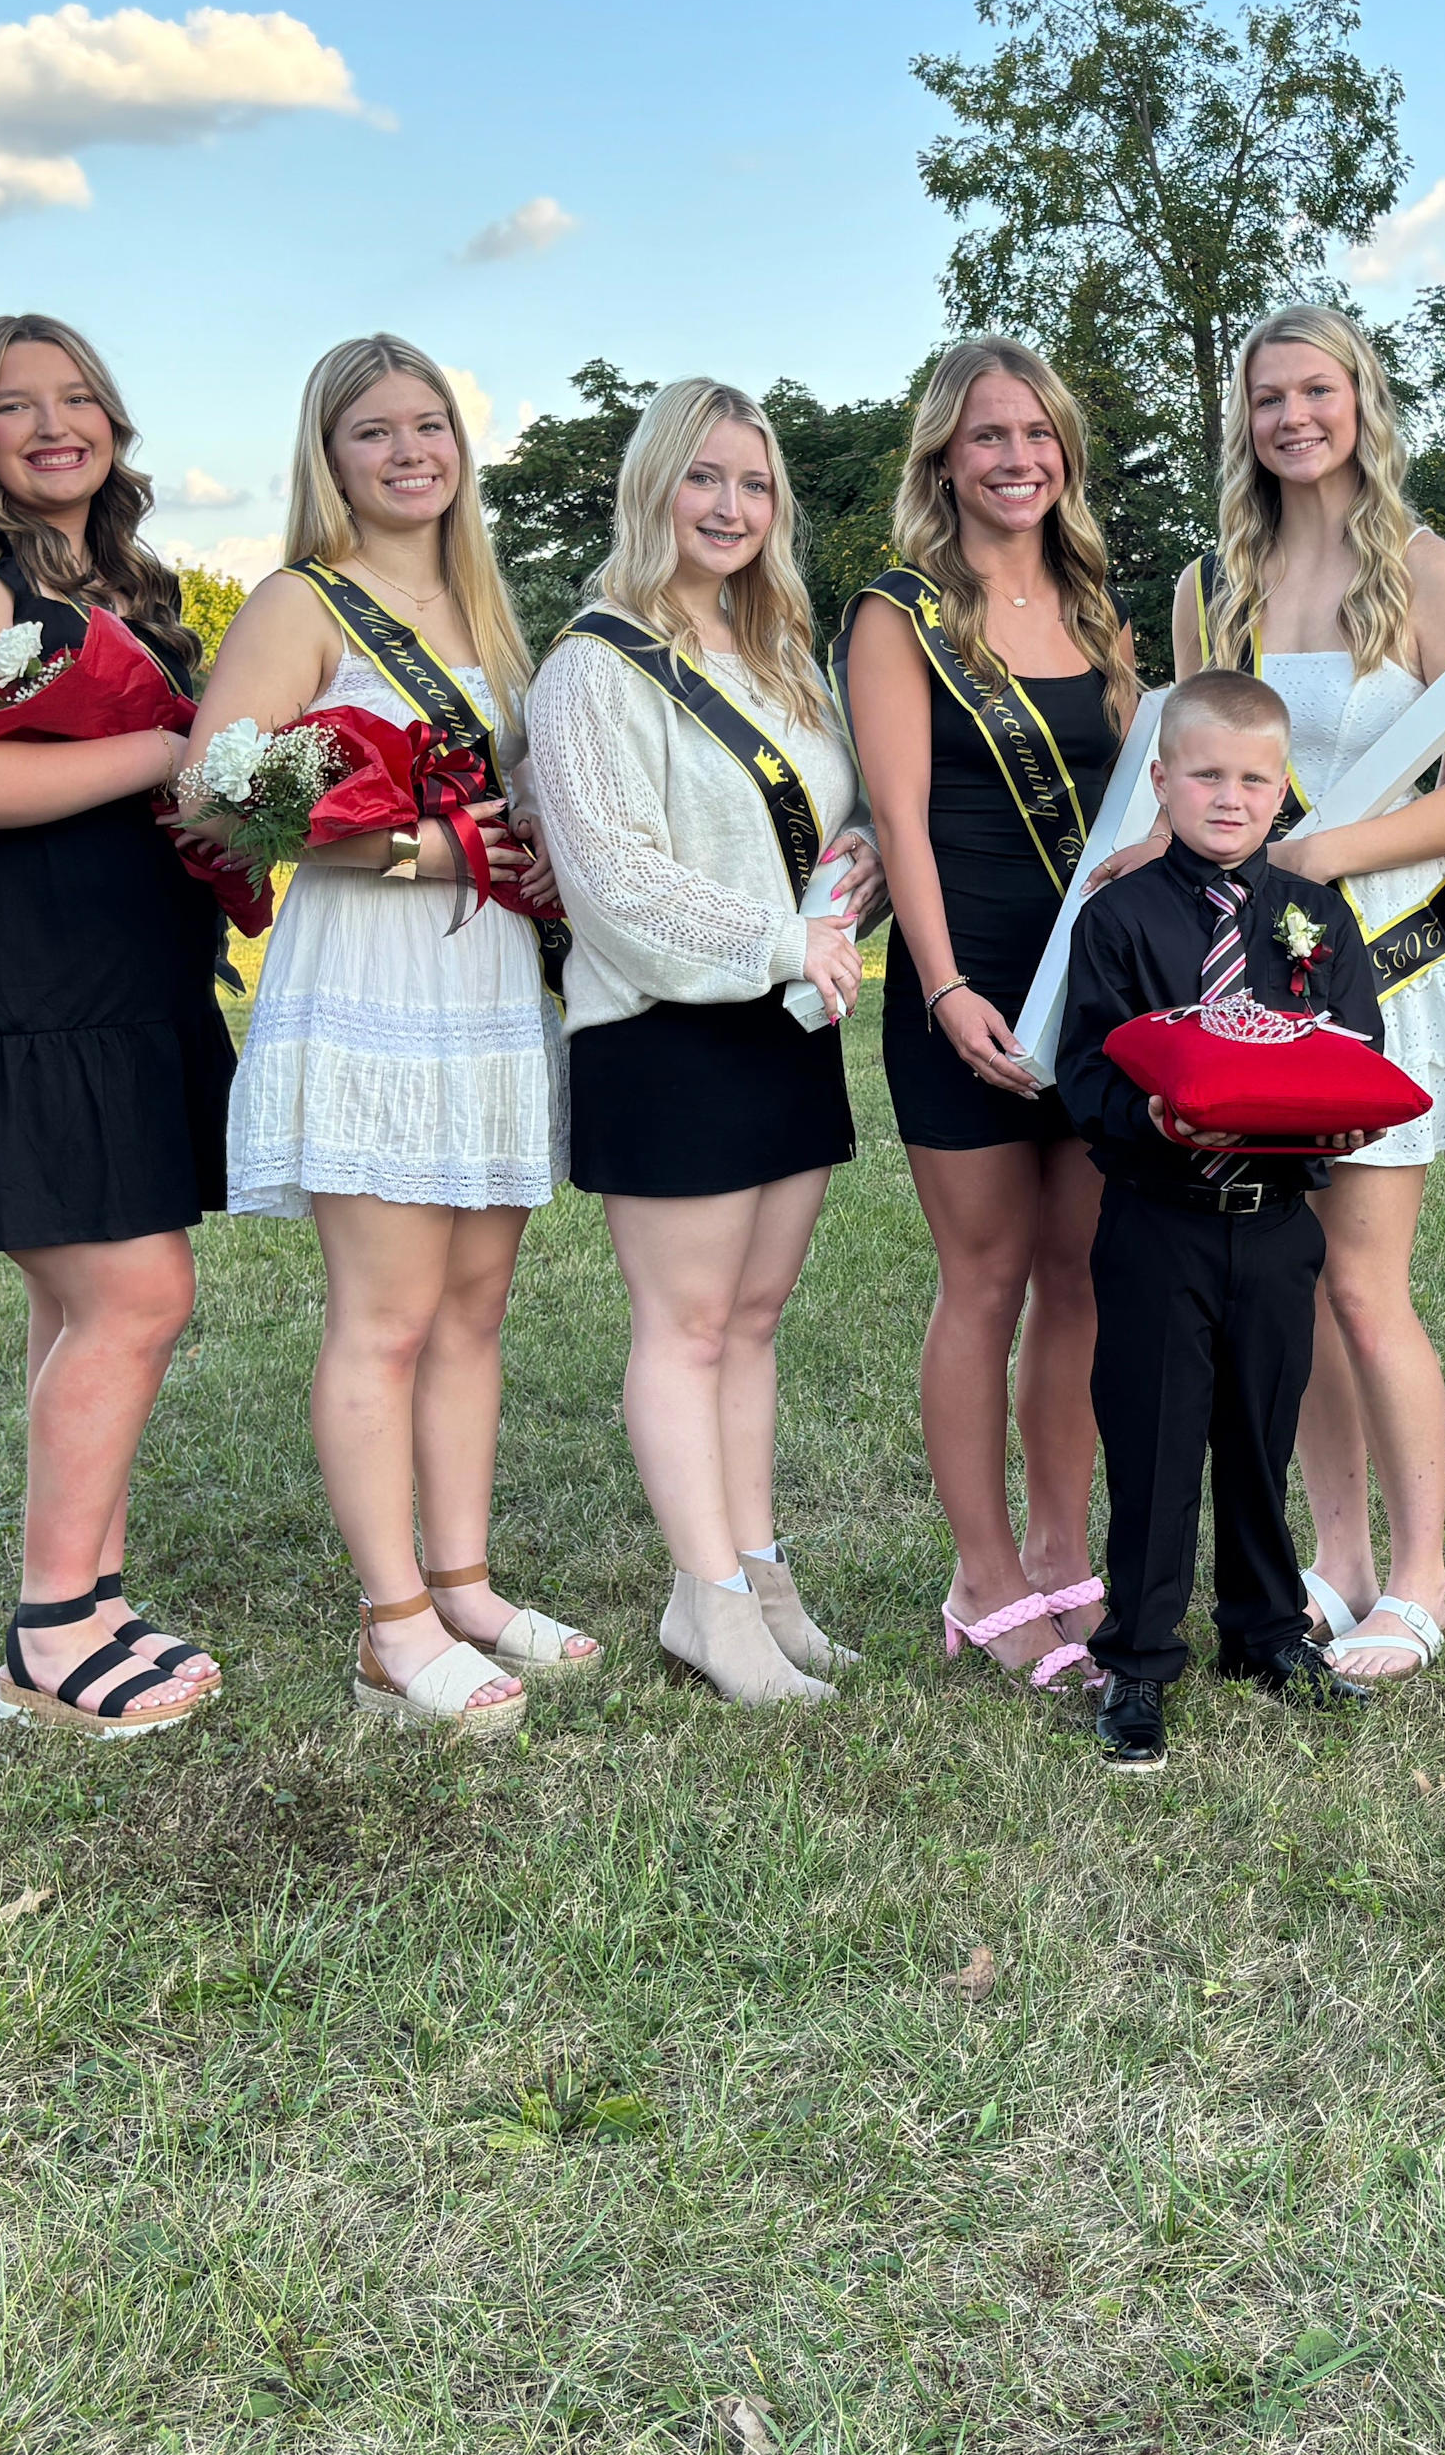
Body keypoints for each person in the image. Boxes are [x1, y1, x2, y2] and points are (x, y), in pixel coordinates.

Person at [189, 333, 568, 1745]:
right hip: (373, 979)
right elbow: (215, 790)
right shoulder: (303, 599)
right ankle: (388, 1624)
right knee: (387, 1315)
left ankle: (461, 1581)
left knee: (474, 1307)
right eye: (373, 432)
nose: (409, 451)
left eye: (429, 426)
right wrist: (426, 854)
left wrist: (524, 860)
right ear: (328, 454)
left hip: (484, 988)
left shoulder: (486, 607)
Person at [0, 314, 235, 1738]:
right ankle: (48, 1633)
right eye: (16, 404)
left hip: (119, 977)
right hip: (3, 977)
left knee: (80, 1299)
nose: (53, 424)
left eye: (78, 397)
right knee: (138, 1295)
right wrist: (169, 747)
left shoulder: (114, 577)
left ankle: (90, 1588)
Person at [1167, 305, 1445, 1682]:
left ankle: (1421, 1575)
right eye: (1268, 396)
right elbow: (1188, 767)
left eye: (1317, 390)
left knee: (1368, 1289)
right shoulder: (1216, 586)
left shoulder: (1431, 574)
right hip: (1247, 985)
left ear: (1362, 402)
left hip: (1382, 971)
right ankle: (1340, 1557)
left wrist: (1321, 852)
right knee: (1288, 1290)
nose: (1293, 416)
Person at [529, 377, 881, 1707]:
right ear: (653, 487)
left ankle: (753, 1579)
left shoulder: (777, 652)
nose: (731, 506)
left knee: (750, 1322)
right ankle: (712, 1613)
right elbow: (613, 877)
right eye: (704, 477)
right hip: (664, 1028)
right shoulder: (593, 664)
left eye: (754, 482)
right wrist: (788, 939)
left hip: (783, 1025)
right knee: (683, 1326)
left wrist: (848, 876)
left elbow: (823, 831)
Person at [842, 339, 1134, 1693]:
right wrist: (949, 985)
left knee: (1079, 1274)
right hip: (962, 982)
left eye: (1035, 434)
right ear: (942, 461)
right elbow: (898, 815)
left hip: (1090, 991)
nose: (1016, 458)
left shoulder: (1099, 613)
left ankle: (1061, 1551)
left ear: (1062, 451)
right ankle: (980, 1576)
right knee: (986, 1278)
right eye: (985, 437)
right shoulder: (898, 615)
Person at [1055, 670, 1386, 1773]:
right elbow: (1083, 1075)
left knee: (1259, 1430)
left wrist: (1340, 1124)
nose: (1230, 797)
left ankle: (1264, 1632)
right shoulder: (1117, 917)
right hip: (1160, 1216)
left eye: (1254, 778)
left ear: (1283, 787)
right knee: (1153, 1437)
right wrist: (1148, 1116)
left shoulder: (1317, 917)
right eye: (1205, 774)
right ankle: (1138, 1661)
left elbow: (1353, 1047)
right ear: (1161, 780)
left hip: (1277, 1216)